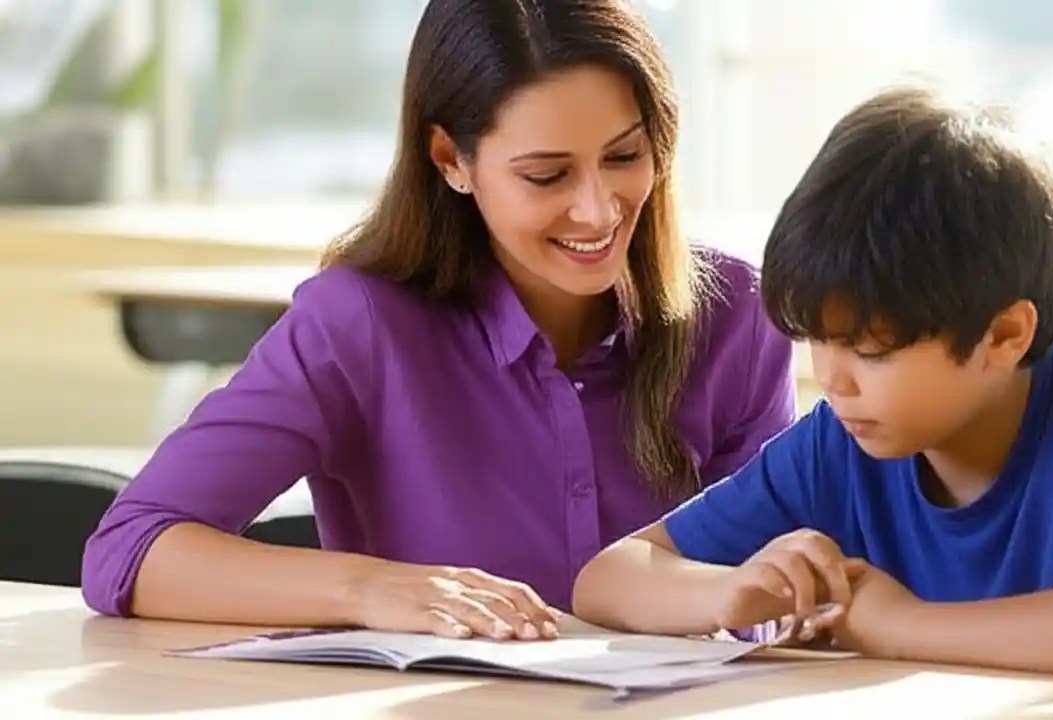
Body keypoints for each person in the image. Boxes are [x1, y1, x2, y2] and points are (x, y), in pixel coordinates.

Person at [81, 0, 795, 643]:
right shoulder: (357, 324)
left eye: (625, 157)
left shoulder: (736, 319)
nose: (600, 210)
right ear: (451, 159)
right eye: (546, 175)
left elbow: (769, 598)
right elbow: (132, 549)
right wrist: (374, 589)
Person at [573, 86, 1053, 681]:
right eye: (818, 341)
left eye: (871, 350)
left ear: (1005, 336)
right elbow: (610, 579)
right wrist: (730, 590)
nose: (833, 380)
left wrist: (899, 625)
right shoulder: (839, 443)